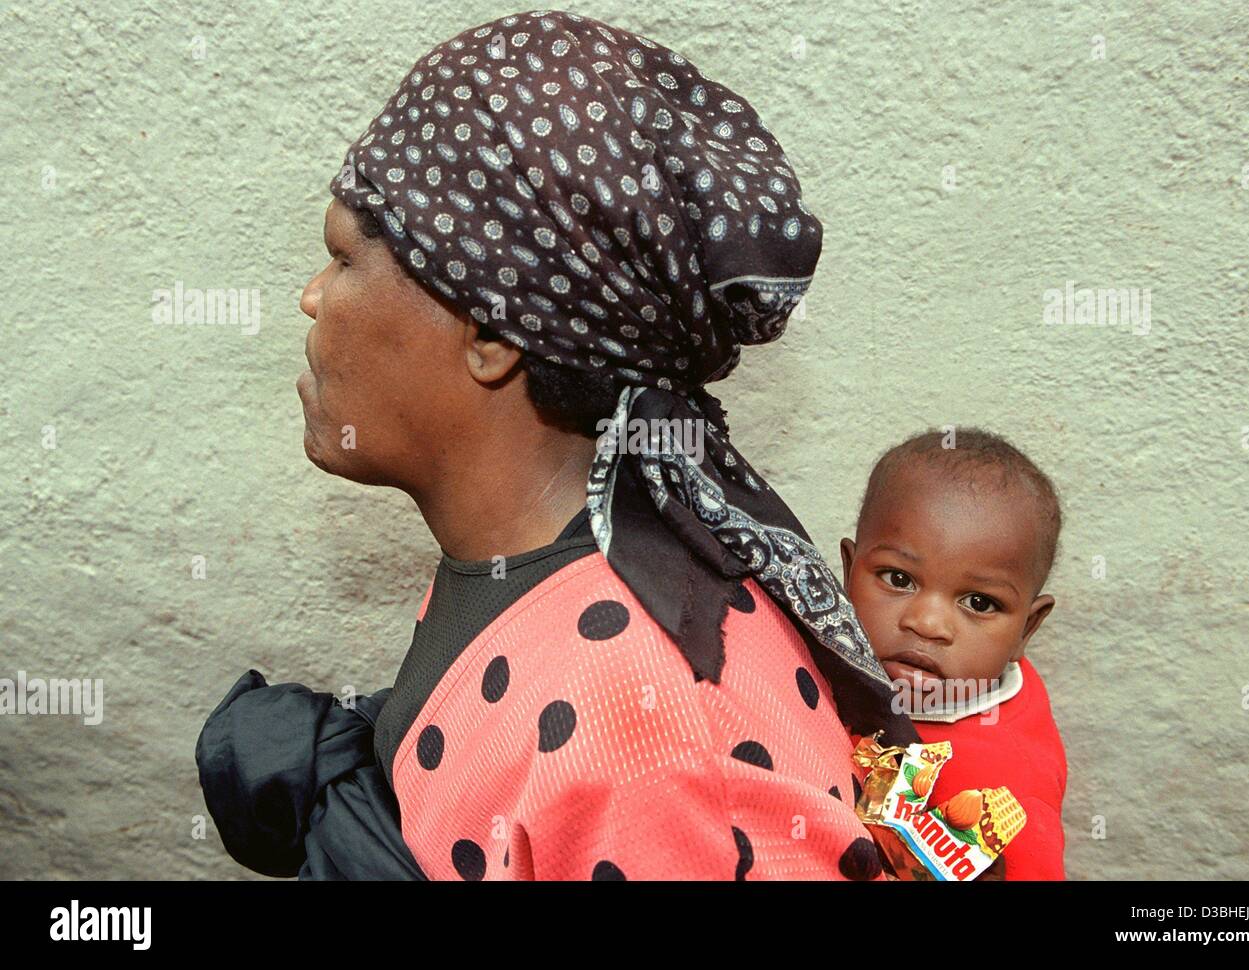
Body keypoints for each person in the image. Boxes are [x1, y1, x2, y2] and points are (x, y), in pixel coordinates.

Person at [197, 10, 919, 880]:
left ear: (490, 332)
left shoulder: (655, 729)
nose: (314, 298)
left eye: (344, 258)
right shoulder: (520, 574)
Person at [839, 427, 1068, 879]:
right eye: (898, 579)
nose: (927, 623)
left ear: (1026, 629)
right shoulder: (813, 652)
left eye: (979, 603)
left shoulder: (1009, 801)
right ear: (848, 573)